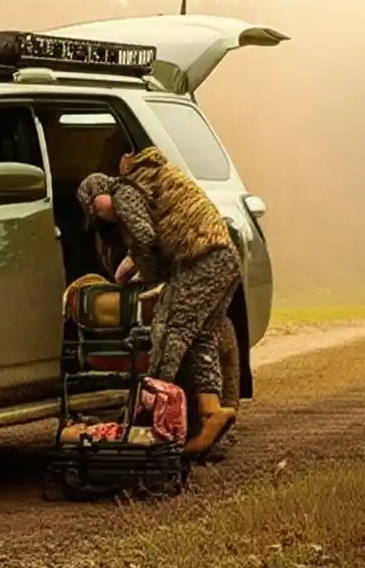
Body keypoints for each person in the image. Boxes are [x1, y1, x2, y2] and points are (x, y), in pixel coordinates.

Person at [74, 146, 242, 456]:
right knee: (202, 338)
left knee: (168, 331)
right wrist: (138, 267)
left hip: (201, 259)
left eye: (95, 211)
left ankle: (151, 420)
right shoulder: (146, 184)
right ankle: (212, 413)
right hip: (225, 258)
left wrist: (145, 273)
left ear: (97, 196)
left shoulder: (123, 192)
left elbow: (145, 237)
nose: (101, 218)